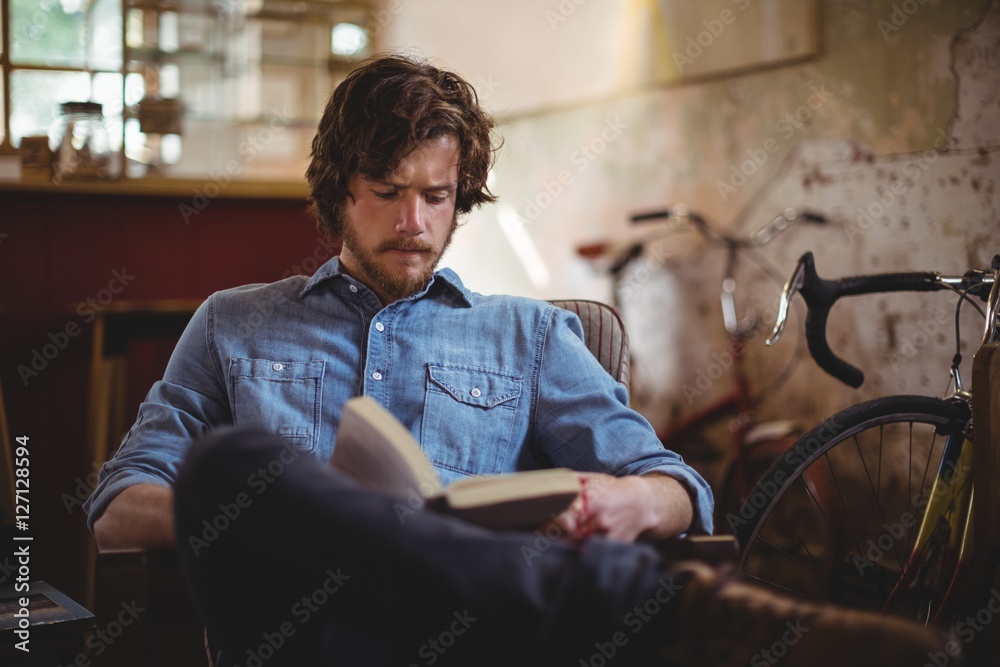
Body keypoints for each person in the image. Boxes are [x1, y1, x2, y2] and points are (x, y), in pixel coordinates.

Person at [84, 55, 957, 667]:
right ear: (338, 190)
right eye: (388, 193)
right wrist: (294, 511)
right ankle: (670, 624)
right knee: (236, 467)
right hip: (298, 645)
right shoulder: (233, 323)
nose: (415, 222)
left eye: (438, 196)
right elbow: (117, 512)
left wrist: (621, 498)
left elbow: (677, 486)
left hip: (471, 644)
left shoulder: (528, 335)